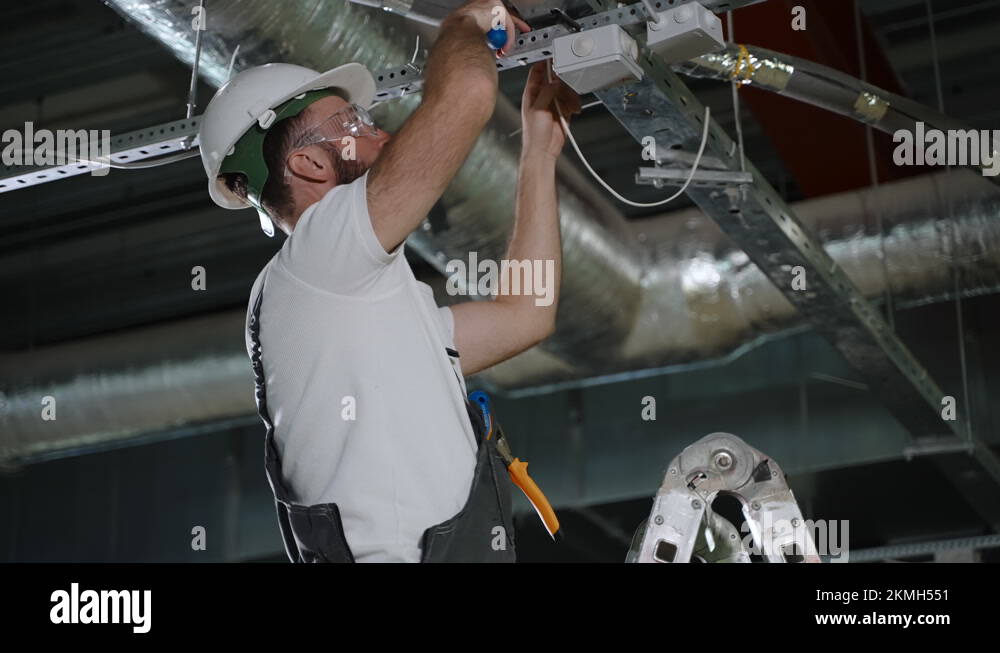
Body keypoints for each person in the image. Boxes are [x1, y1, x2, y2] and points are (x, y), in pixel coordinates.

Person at [197, 0, 580, 562]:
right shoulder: (317, 257)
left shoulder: (354, 303)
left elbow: (529, 311)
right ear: (308, 166)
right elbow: (466, 97)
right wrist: (461, 26)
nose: (376, 134)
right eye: (350, 125)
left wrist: (539, 152)